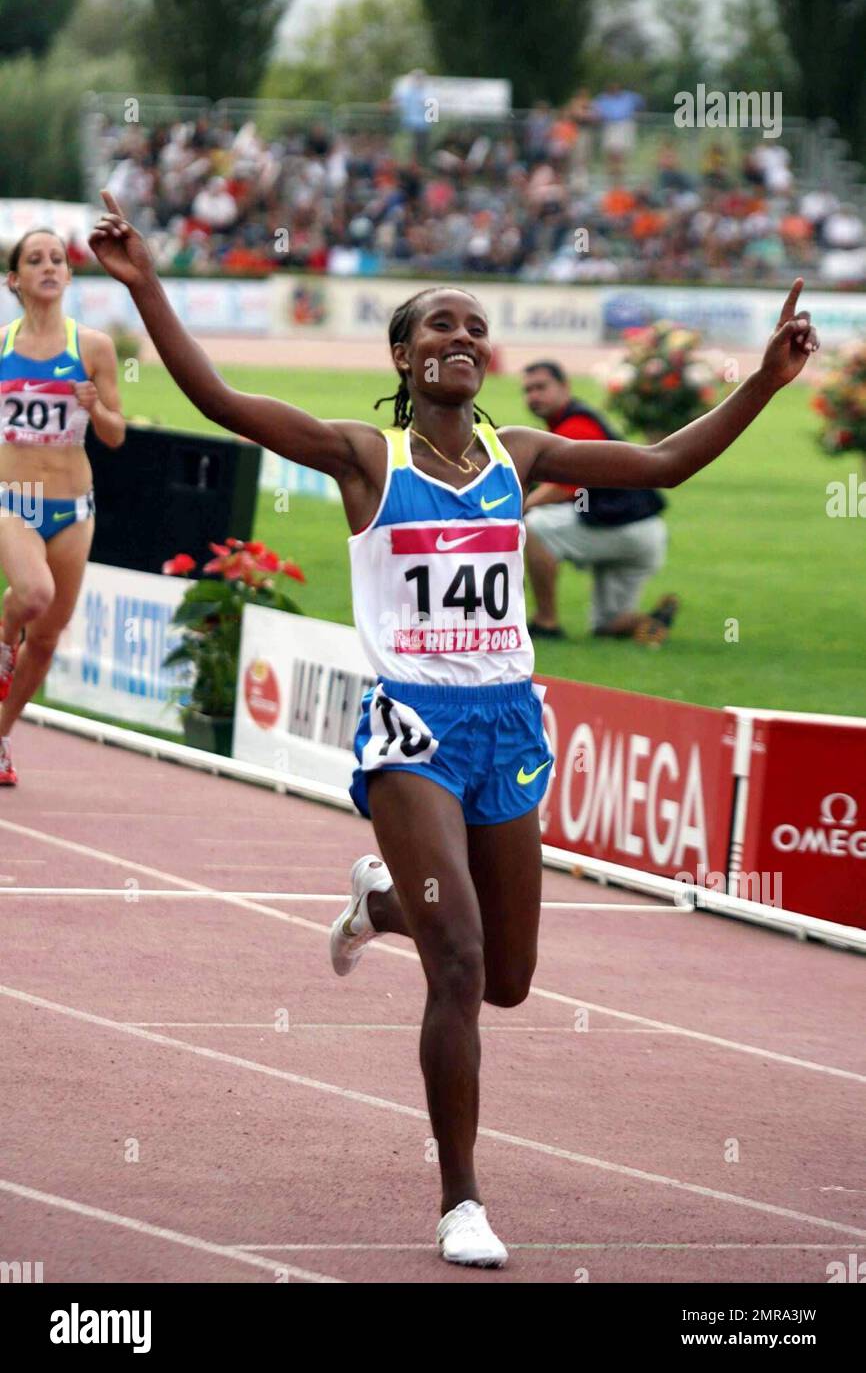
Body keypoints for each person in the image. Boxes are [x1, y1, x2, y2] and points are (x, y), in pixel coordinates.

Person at [89, 190, 818, 1268]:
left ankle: (379, 902)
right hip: (411, 732)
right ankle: (460, 1200)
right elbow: (222, 399)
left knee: (513, 976)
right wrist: (147, 284)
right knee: (464, 965)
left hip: (507, 725)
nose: (462, 339)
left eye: (476, 327)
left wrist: (761, 381)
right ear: (402, 355)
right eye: (440, 324)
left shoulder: (519, 458)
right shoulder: (359, 458)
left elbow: (662, 466)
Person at [0, 229, 125, 786]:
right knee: (34, 595)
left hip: (75, 506)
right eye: (35, 260)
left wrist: (96, 408)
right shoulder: (2, 347)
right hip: (15, 500)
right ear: (15, 280)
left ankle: (1, 738)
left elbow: (117, 434)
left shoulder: (93, 347)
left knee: (48, 637)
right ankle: (3, 640)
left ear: (68, 277)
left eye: (57, 259)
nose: (49, 266)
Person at [521, 361, 676, 644]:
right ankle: (651, 622)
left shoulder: (577, 424)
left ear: (565, 387)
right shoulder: (573, 421)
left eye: (541, 387)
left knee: (533, 526)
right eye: (528, 390)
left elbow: (564, 486)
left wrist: (518, 508)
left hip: (626, 530)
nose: (533, 396)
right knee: (606, 625)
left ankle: (546, 622)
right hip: (640, 533)